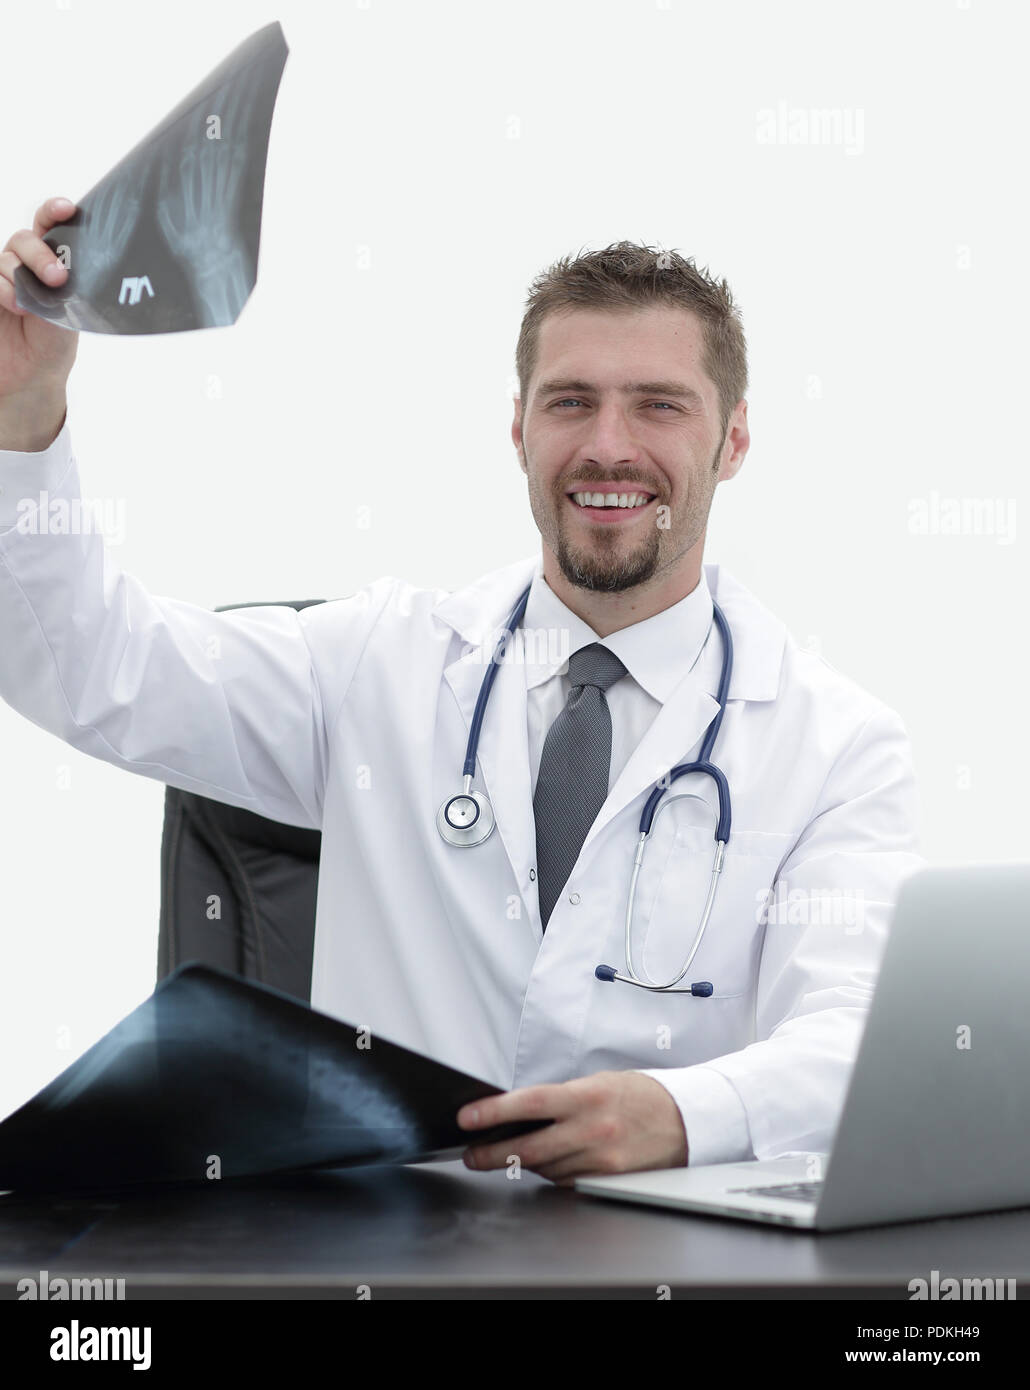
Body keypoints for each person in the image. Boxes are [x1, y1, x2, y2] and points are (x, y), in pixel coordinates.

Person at [0, 200, 923, 1185]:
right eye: (570, 401)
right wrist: (22, 413)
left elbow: (859, 1036)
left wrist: (680, 1111)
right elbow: (94, 667)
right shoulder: (375, 665)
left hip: (669, 1259)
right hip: (390, 1255)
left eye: (659, 404)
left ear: (733, 440)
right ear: (519, 429)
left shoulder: (835, 745)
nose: (608, 446)